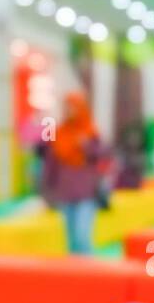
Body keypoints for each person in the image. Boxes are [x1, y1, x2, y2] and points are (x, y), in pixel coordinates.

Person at [43, 91, 108, 255]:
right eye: (67, 107)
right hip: (65, 191)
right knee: (72, 241)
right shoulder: (59, 132)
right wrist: (47, 191)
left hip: (86, 192)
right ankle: (76, 277)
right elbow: (52, 163)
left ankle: (89, 277)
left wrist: (85, 145)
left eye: (73, 107)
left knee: (82, 237)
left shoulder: (90, 131)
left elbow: (102, 155)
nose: (69, 110)